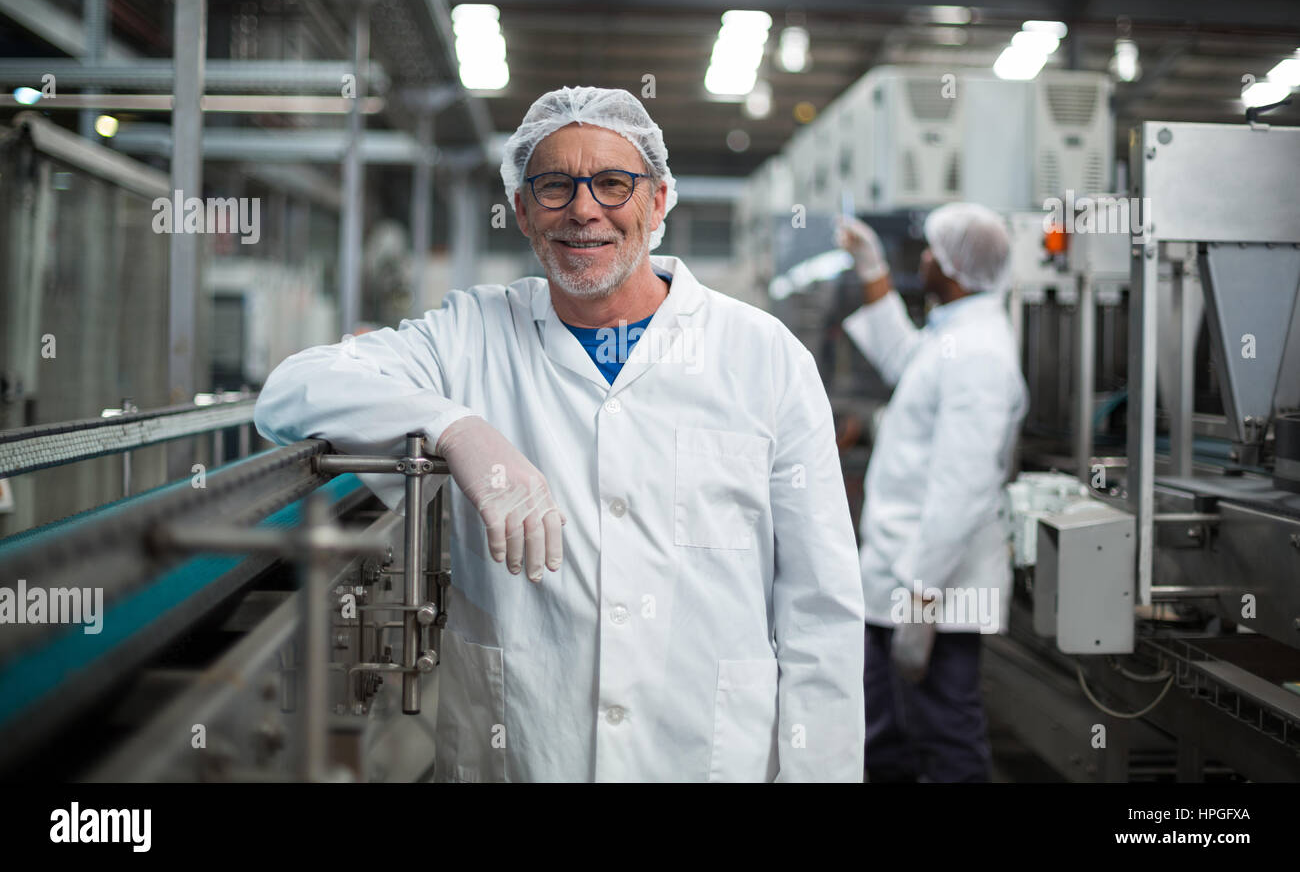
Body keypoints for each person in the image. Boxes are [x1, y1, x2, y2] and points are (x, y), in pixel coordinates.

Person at [255, 86, 866, 782]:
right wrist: (457, 428)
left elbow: (822, 608)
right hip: (523, 754)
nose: (583, 209)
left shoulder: (764, 356)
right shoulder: (470, 336)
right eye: (554, 186)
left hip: (707, 758)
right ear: (521, 209)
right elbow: (291, 391)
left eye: (613, 184)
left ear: (658, 200)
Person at [837, 203, 1027, 783]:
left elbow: (962, 488)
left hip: (933, 593)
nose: (922, 259)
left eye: (932, 251)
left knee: (945, 741)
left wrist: (921, 600)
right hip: (901, 581)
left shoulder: (979, 355)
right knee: (884, 736)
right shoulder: (954, 334)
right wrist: (872, 270)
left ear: (953, 264)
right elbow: (904, 358)